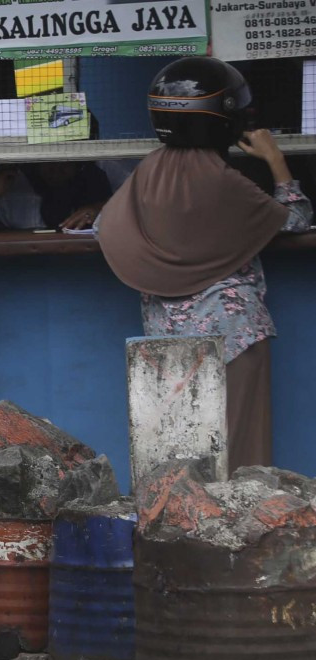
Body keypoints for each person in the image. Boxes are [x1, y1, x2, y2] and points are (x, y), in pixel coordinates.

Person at [97, 56, 312, 471]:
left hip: (166, 338)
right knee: (241, 460)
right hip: (235, 337)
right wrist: (276, 161)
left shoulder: (149, 171)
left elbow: (106, 223)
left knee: (178, 464)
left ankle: (182, 538)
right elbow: (295, 219)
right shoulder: (223, 180)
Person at [0, 160, 119, 231]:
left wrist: (101, 209)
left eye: (66, 163)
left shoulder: (98, 174)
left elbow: (137, 203)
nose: (56, 170)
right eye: (50, 162)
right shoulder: (12, 176)